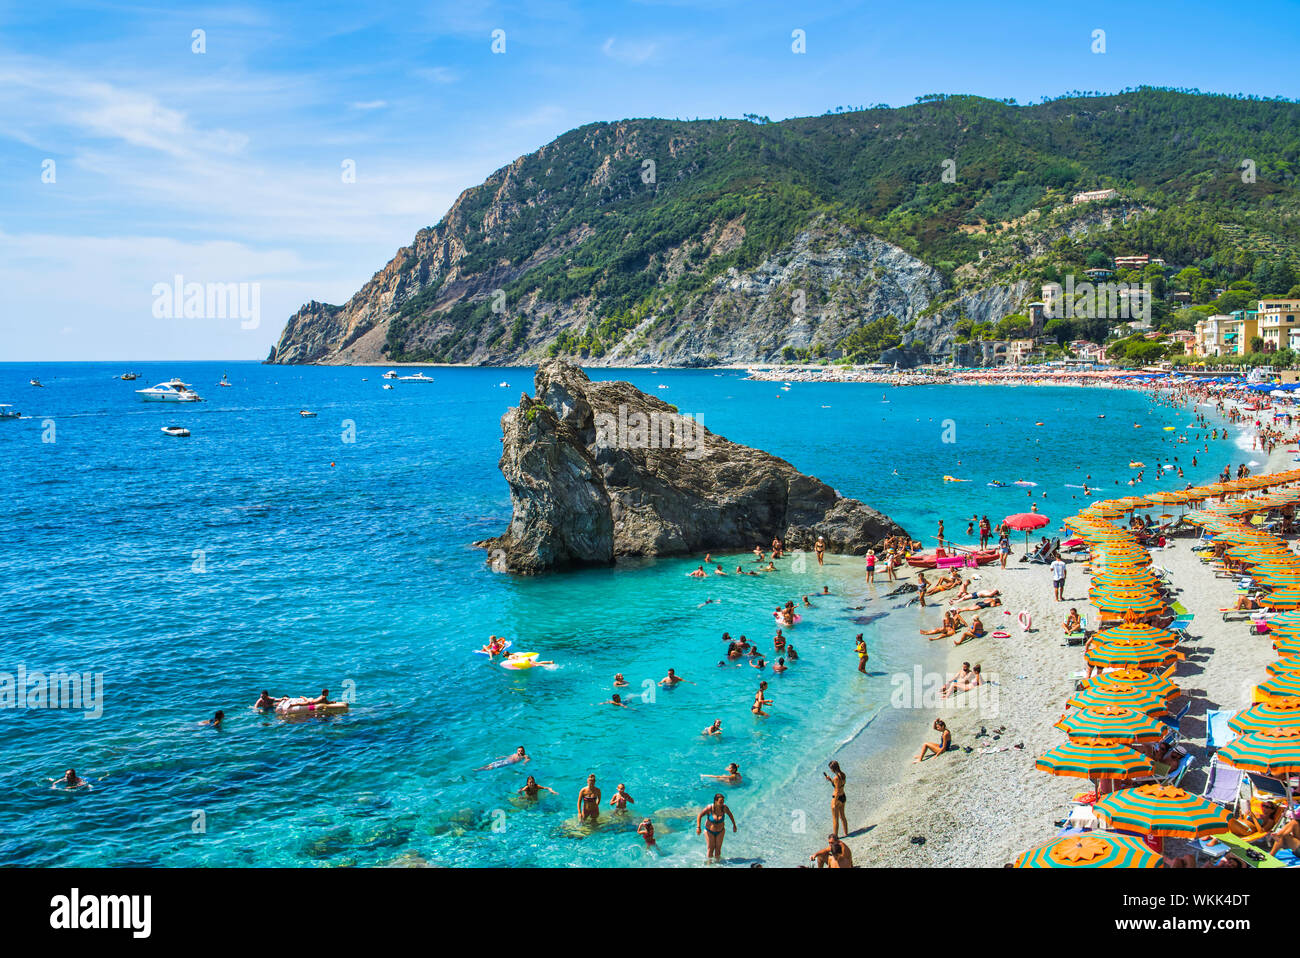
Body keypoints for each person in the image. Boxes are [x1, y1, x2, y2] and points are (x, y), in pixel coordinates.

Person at [696, 793, 737, 860]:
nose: (722, 803)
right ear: (715, 801)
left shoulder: (724, 808)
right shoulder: (709, 808)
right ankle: (709, 863)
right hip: (709, 831)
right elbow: (699, 815)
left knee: (718, 849)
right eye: (720, 802)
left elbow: (730, 815)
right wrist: (698, 827)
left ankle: (718, 864)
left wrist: (734, 825)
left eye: (723, 801)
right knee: (710, 848)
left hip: (720, 831)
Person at [825, 760, 848, 837]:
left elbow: (837, 790)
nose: (830, 770)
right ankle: (846, 833)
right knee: (842, 816)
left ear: (833, 769)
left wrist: (834, 802)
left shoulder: (836, 778)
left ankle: (835, 837)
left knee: (835, 819)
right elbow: (838, 785)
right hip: (843, 796)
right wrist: (830, 780)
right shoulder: (843, 775)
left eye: (830, 768)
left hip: (837, 798)